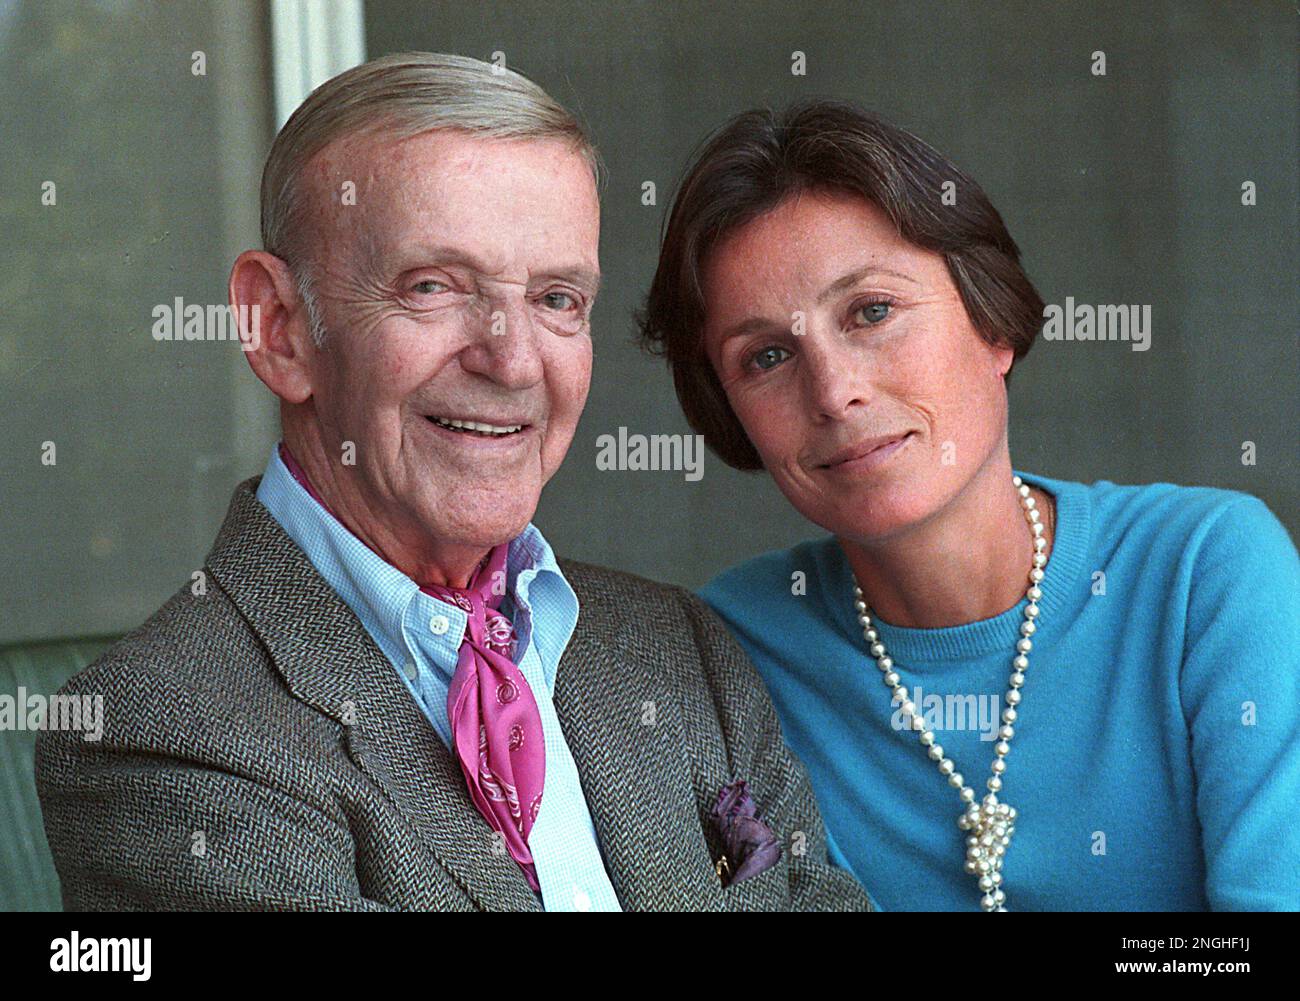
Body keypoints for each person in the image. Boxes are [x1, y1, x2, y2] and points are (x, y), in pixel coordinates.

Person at [34, 56, 870, 913]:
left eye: (555, 298)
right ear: (279, 328)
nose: (511, 361)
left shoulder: (681, 646)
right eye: (434, 286)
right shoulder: (153, 731)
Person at [638, 100, 1300, 911]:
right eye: (767, 356)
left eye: (872, 311)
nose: (836, 392)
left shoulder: (1209, 571)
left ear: (992, 323)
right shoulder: (733, 648)